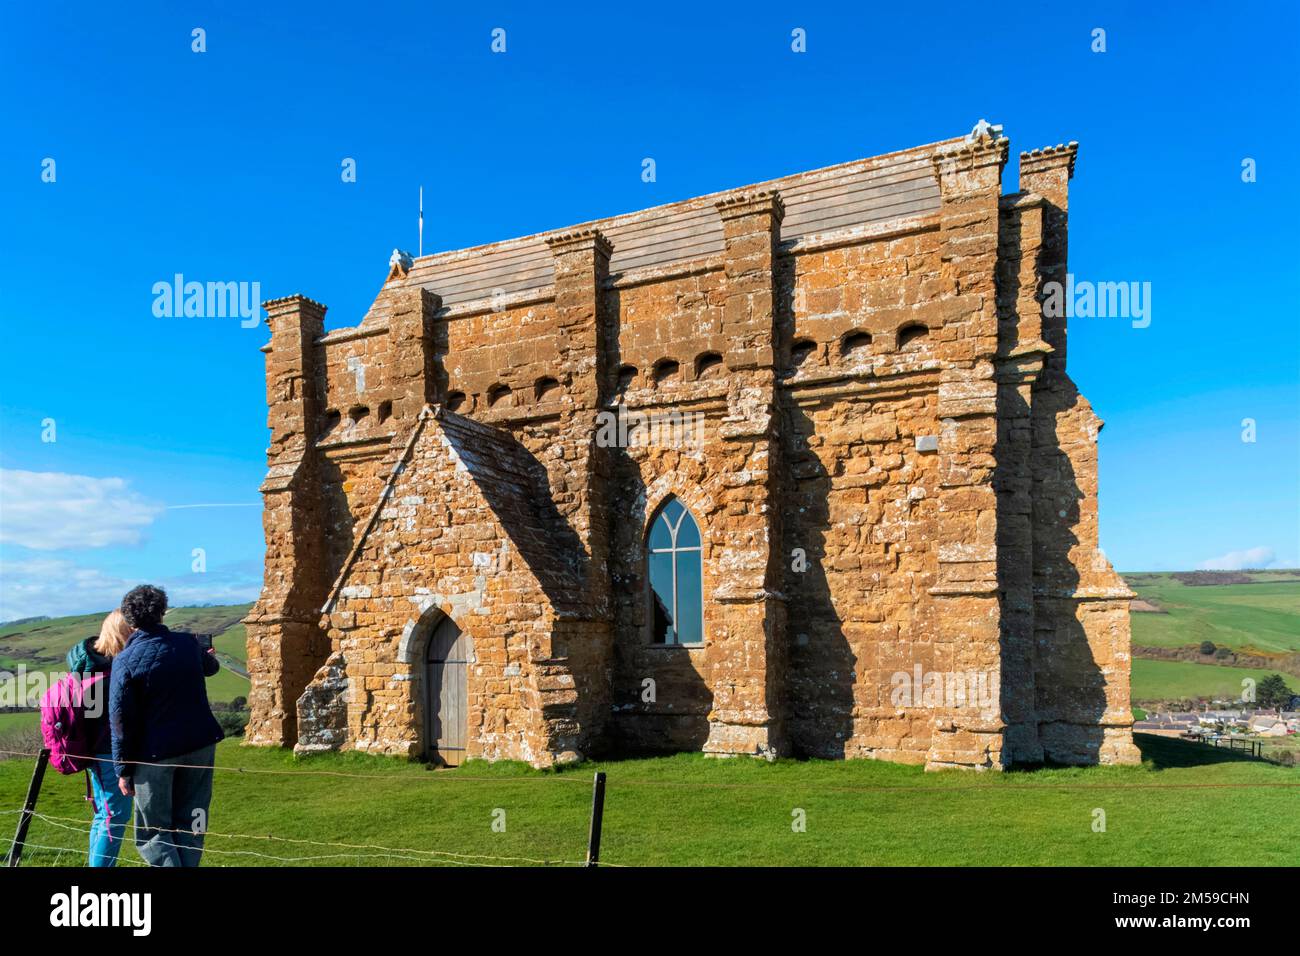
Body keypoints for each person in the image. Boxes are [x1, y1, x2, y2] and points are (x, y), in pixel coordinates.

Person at [109, 585, 224, 866]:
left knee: (154, 830)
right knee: (193, 819)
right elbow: (212, 668)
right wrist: (202, 651)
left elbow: (119, 719)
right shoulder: (186, 644)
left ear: (129, 620)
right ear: (163, 611)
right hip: (199, 744)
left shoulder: (124, 661)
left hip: (154, 755)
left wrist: (122, 770)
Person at [67, 609, 134, 866]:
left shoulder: (88, 663)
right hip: (108, 749)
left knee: (104, 815)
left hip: (92, 748)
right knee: (114, 816)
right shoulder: (110, 669)